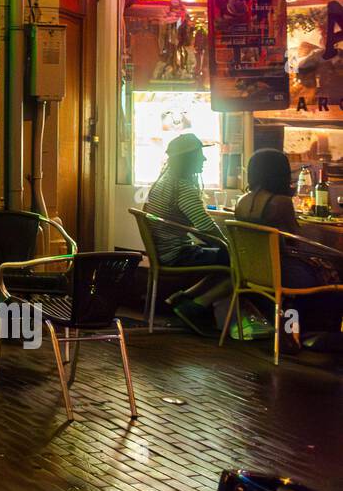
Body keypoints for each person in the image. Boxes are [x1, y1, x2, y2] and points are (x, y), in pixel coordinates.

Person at [233, 148, 342, 347]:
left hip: (255, 272)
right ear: (279, 173)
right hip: (285, 273)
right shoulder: (280, 202)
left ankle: (298, 331)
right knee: (335, 270)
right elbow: (297, 242)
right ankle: (321, 336)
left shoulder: (241, 201)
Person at [146, 132, 231, 335]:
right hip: (176, 254)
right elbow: (204, 226)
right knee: (237, 260)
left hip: (164, 251)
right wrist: (229, 244)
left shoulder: (164, 180)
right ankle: (196, 306)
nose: (204, 158)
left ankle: (183, 297)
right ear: (188, 159)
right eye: (199, 154)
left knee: (223, 257)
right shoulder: (183, 186)